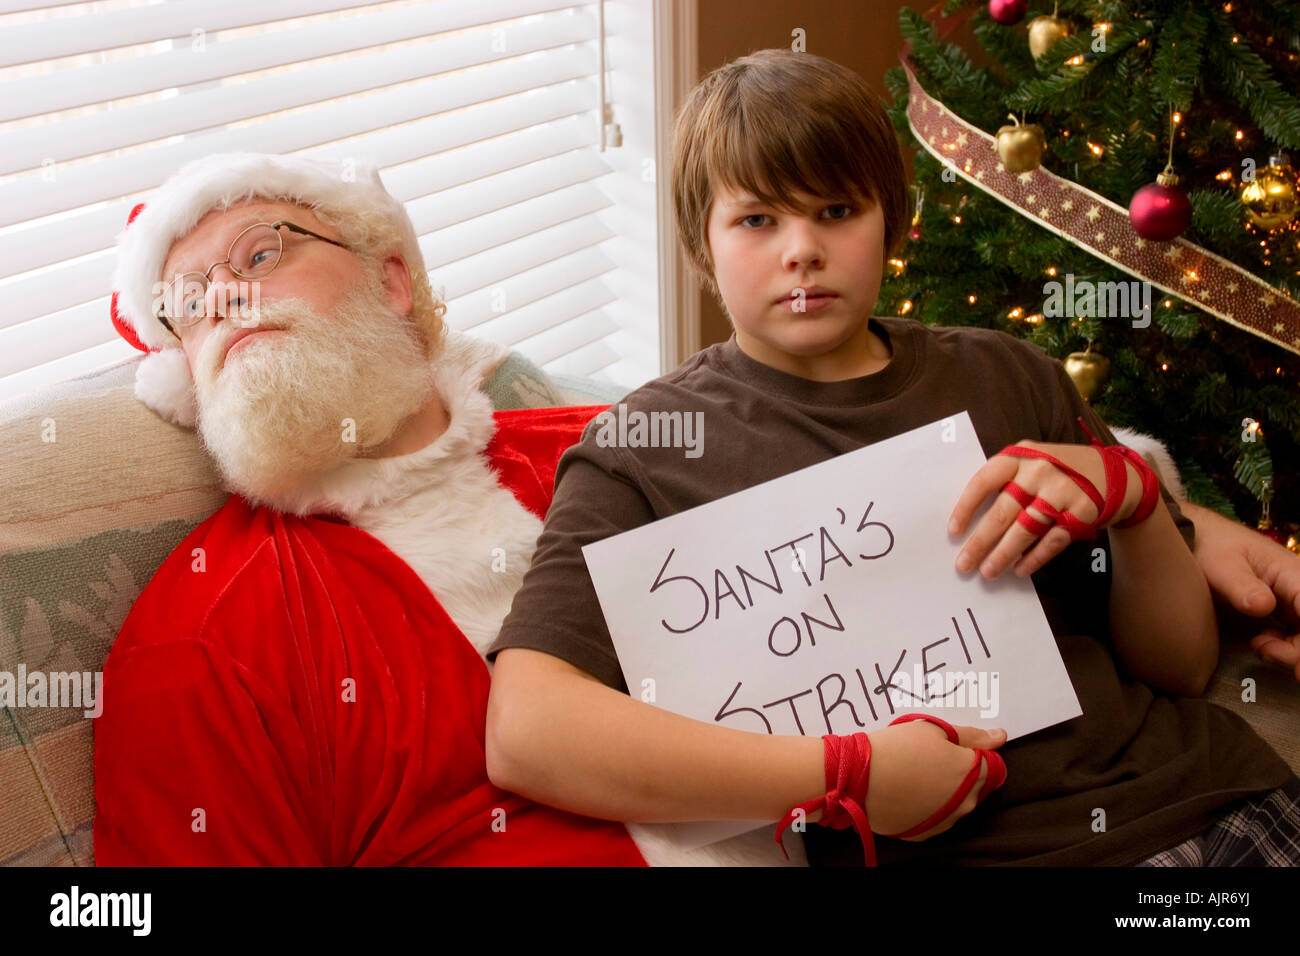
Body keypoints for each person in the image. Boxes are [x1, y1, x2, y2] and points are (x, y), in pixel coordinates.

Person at [484, 49, 1300, 867]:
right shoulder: (643, 448)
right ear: (703, 244)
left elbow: (1184, 668)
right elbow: (525, 731)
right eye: (757, 219)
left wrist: (1133, 497)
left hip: (1212, 802)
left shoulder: (1009, 372)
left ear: (892, 221)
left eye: (837, 210)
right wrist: (849, 773)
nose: (801, 250)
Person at [93, 152, 648, 865]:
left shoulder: (610, 454)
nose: (225, 298)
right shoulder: (196, 650)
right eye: (191, 303)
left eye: (260, 254)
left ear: (391, 281)